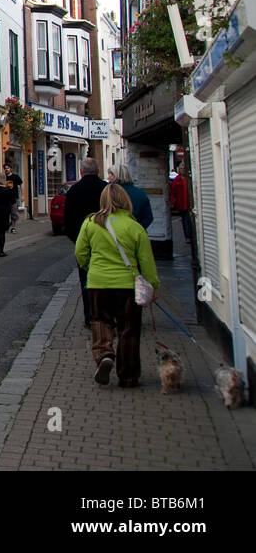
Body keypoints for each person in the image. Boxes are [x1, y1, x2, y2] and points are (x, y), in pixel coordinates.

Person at [75, 184, 160, 388]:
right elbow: (147, 261)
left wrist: (91, 268)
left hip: (97, 284)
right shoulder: (135, 227)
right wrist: (153, 286)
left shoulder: (90, 222)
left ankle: (105, 356)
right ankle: (128, 376)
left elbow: (80, 252)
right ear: (125, 200)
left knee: (101, 323)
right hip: (127, 285)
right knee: (128, 330)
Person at [63, 157, 107, 326]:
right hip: (106, 242)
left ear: (81, 172)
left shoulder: (74, 191)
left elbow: (68, 221)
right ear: (98, 171)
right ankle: (106, 314)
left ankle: (90, 316)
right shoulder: (106, 189)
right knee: (105, 279)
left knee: (86, 281)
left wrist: (78, 239)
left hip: (84, 243)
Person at [108, 165, 152, 231]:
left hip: (114, 232)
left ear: (116, 175)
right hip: (136, 232)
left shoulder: (110, 193)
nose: (108, 177)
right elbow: (148, 217)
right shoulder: (140, 192)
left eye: (110, 174)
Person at [168, 159, 195, 246]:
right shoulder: (177, 180)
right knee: (185, 220)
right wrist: (173, 202)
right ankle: (188, 236)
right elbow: (173, 192)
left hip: (189, 203)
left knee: (188, 220)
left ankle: (190, 236)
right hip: (182, 203)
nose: (182, 169)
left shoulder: (189, 178)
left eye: (183, 168)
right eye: (181, 168)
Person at [4, 161, 25, 227]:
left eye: (7, 168)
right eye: (5, 168)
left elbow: (21, 184)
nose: (6, 169)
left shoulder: (15, 176)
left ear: (10, 169)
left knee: (13, 213)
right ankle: (6, 225)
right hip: (5, 198)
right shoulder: (3, 177)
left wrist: (22, 195)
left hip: (13, 198)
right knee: (6, 213)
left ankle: (13, 227)